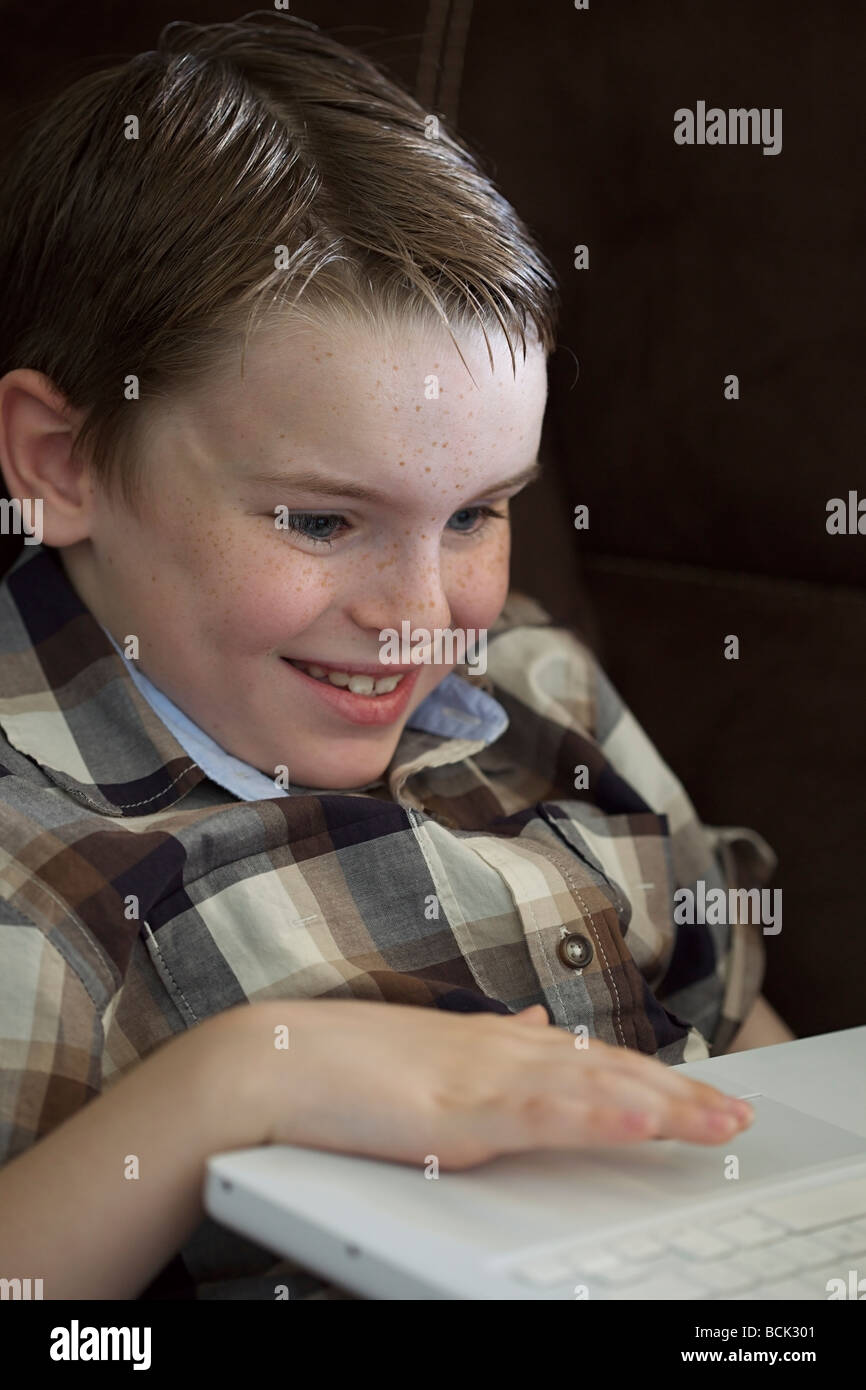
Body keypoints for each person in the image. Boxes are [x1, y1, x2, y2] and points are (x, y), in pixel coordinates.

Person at [0, 13, 792, 1301]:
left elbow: (750, 1053)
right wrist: (245, 1077)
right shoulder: (38, 865)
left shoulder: (537, 687)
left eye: (477, 511)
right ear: (63, 463)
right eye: (321, 520)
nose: (426, 614)